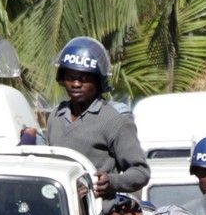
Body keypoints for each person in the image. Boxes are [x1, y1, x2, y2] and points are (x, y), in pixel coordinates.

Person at [46, 36, 149, 195]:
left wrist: (110, 182)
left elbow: (141, 172)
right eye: (70, 78)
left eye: (84, 78)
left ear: (98, 81)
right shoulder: (55, 116)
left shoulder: (115, 120)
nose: (76, 84)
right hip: (60, 214)